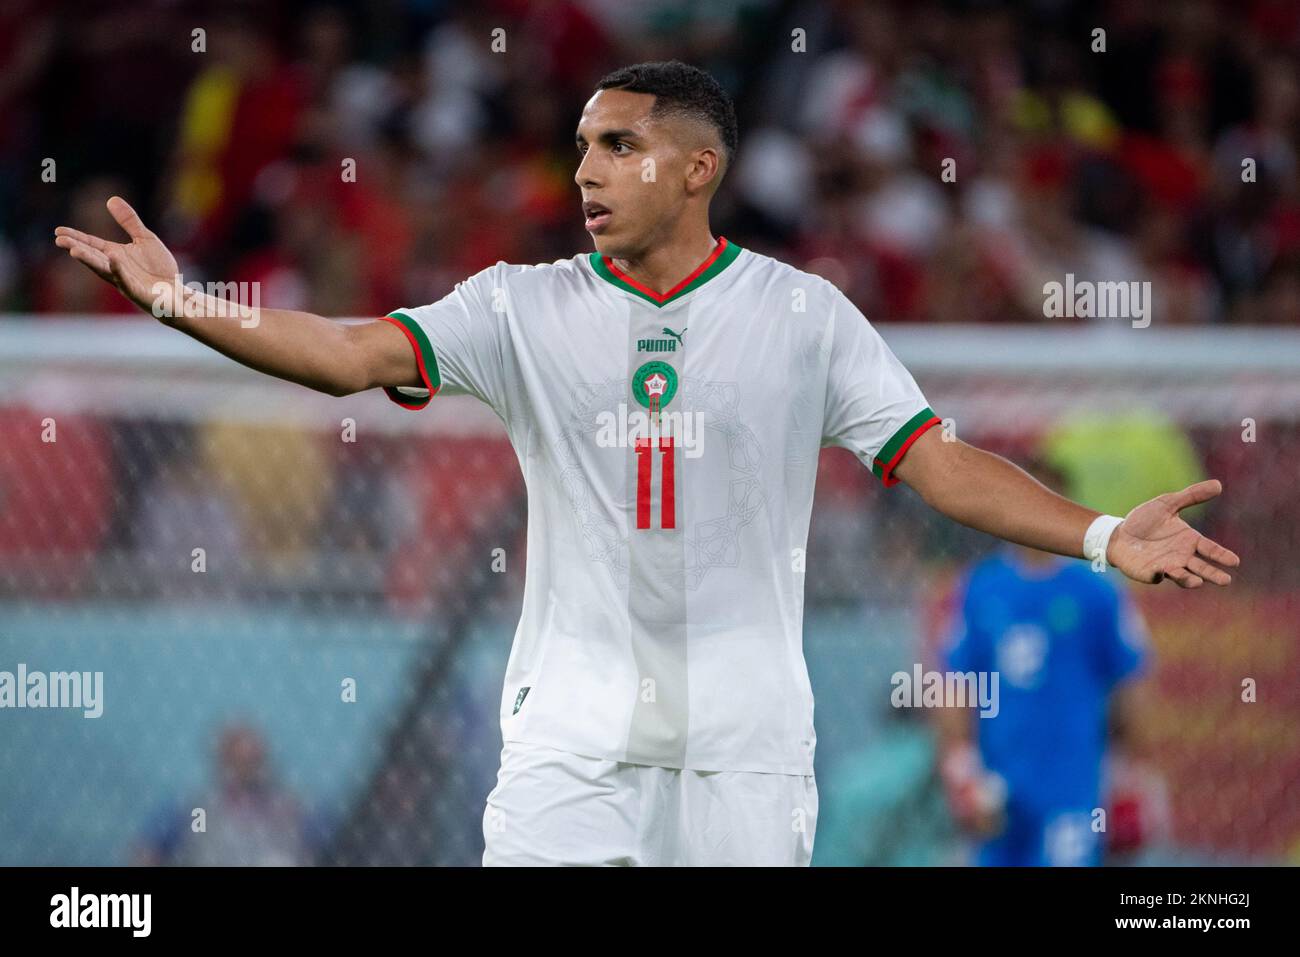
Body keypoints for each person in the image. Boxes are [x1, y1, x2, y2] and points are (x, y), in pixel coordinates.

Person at [54, 60, 1240, 867]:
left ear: (696, 169)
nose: (585, 172)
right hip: (567, 738)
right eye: (581, 147)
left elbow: (936, 463)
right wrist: (180, 301)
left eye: (619, 147)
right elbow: (346, 355)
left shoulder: (803, 315)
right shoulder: (518, 307)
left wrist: (1097, 536)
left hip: (745, 745)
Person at [935, 458, 1152, 866]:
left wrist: (1130, 772)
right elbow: (954, 682)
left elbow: (1130, 683)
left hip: (1071, 786)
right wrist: (962, 768)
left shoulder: (1098, 592)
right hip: (997, 789)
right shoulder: (980, 588)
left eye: (1047, 501)